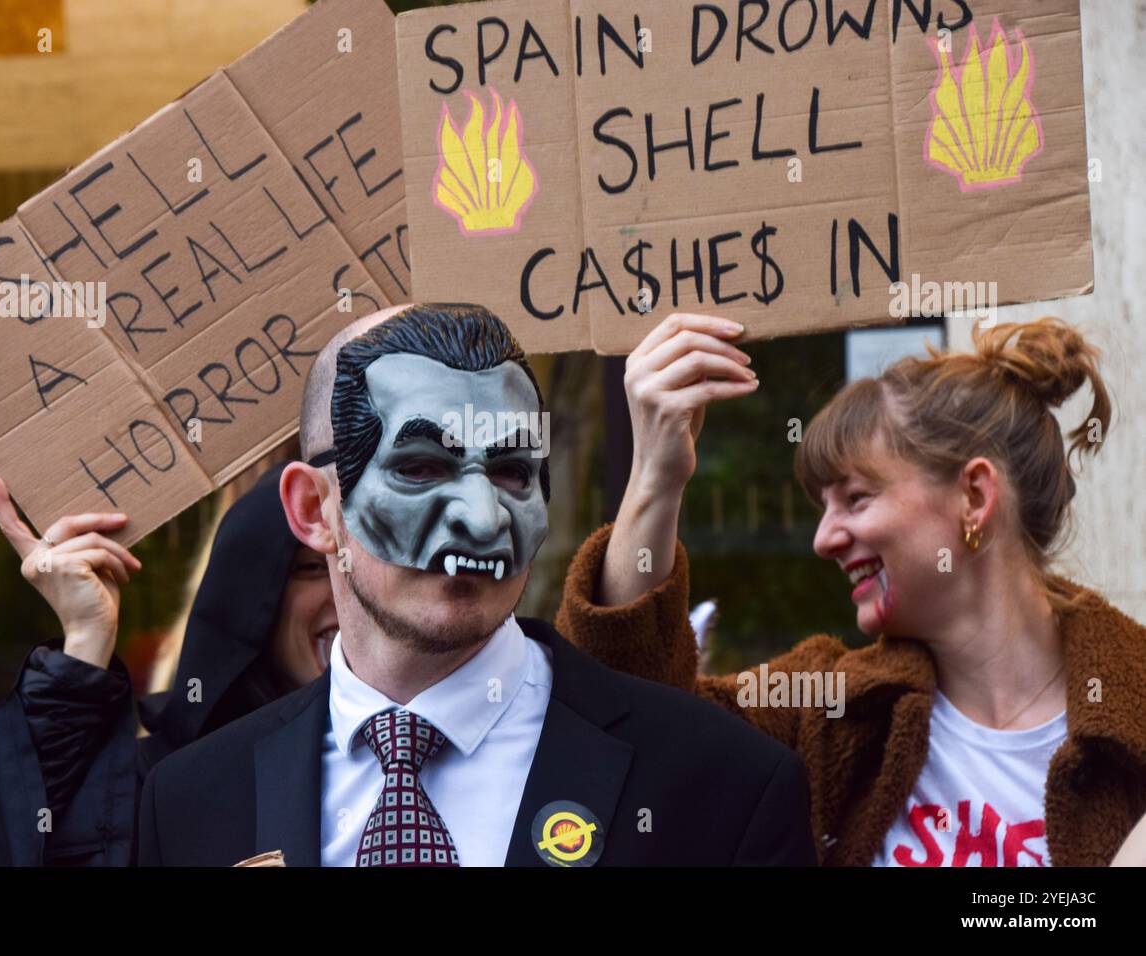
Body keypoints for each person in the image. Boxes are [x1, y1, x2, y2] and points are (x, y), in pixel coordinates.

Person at [136, 303, 816, 867]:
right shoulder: (193, 803)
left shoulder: (721, 785)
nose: (482, 517)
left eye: (513, 473)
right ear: (316, 511)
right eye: (423, 467)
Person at [559, 312, 1146, 867]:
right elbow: (622, 726)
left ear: (974, 497)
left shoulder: (1132, 709)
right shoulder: (830, 711)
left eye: (857, 499)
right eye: (823, 507)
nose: (824, 539)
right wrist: (655, 479)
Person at [0, 461, 336, 865]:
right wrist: (84, 640)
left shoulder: (401, 762)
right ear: (254, 596)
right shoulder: (167, 788)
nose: (345, 589)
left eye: (373, 554)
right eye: (313, 567)